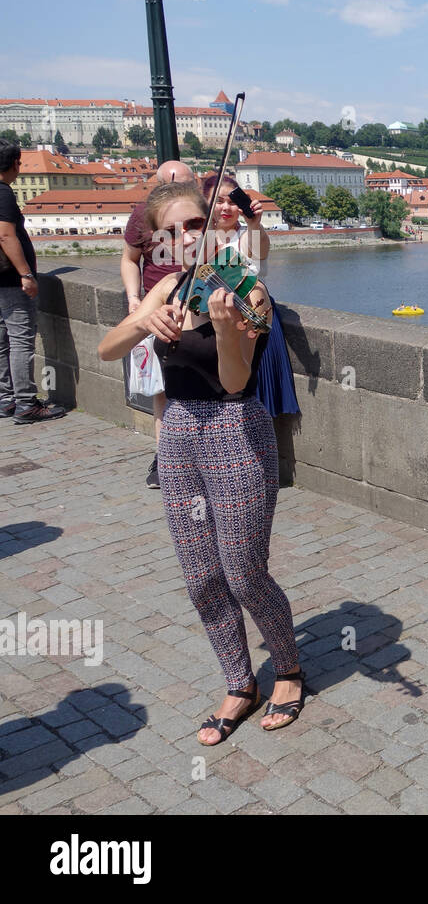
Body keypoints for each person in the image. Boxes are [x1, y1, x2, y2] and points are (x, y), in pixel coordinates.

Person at [97, 182, 306, 745]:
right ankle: (240, 682)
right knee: (201, 576)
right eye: (176, 231)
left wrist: (221, 328)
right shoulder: (166, 285)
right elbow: (107, 349)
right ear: (161, 241)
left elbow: (237, 381)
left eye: (198, 225)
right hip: (180, 435)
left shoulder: (247, 291)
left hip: (237, 430)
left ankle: (286, 668)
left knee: (242, 571)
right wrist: (144, 322)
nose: (190, 236)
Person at [199, 173, 299, 422]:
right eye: (218, 201)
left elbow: (260, 248)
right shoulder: (196, 238)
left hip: (250, 320)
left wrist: (255, 225)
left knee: (251, 397)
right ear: (205, 203)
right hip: (211, 324)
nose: (225, 207)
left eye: (232, 201)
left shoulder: (245, 236)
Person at [121, 160, 196, 486]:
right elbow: (129, 259)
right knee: (161, 389)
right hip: (158, 305)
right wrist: (133, 299)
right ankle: (165, 458)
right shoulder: (142, 215)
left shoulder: (201, 214)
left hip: (199, 304)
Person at [0, 139, 66, 423]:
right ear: (15, 163)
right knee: (20, 340)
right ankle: (26, 403)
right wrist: (26, 274)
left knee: (3, 340)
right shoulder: (3, 193)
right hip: (11, 280)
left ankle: (6, 399)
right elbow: (5, 235)